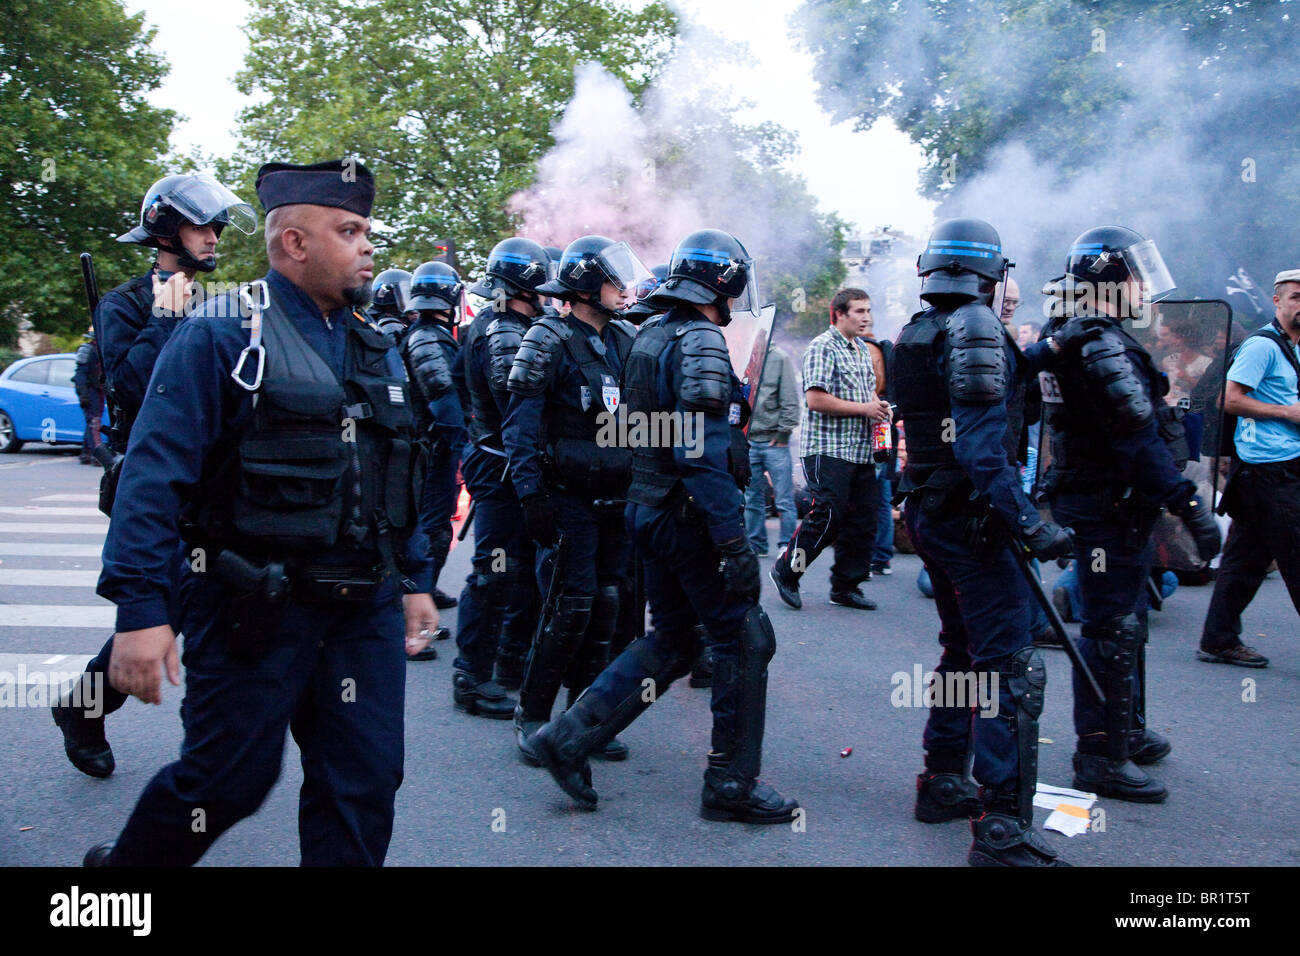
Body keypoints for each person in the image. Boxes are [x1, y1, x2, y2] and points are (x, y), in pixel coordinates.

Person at [82, 159, 439, 867]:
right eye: (348, 230)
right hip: (254, 604)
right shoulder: (223, 333)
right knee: (225, 784)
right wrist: (141, 611)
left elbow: (395, 472)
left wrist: (415, 578)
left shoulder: (377, 344)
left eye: (367, 229)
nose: (368, 244)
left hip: (361, 608)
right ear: (294, 244)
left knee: (361, 785)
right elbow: (153, 479)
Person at [531, 229, 799, 824]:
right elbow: (699, 449)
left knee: (674, 640)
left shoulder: (651, 332)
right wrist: (733, 541)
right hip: (689, 514)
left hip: (650, 507)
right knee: (744, 638)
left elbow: (639, 431)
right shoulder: (700, 336)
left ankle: (568, 737)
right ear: (725, 280)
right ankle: (731, 784)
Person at [51, 173, 256, 779]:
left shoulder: (226, 303)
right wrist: (165, 320)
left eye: (219, 226)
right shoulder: (125, 304)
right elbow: (130, 390)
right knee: (166, 606)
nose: (215, 237)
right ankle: (86, 710)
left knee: (193, 606)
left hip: (218, 481)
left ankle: (204, 757)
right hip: (158, 480)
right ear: (168, 232)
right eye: (202, 226)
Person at [892, 218, 1077, 866]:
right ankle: (1001, 829)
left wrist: (1048, 349)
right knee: (1009, 669)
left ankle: (943, 779)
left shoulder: (919, 329)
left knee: (962, 652)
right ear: (989, 273)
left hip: (935, 513)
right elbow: (976, 446)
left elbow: (971, 405)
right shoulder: (971, 324)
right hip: (972, 518)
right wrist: (1031, 522)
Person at [1038, 225, 1220, 803]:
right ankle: (1099, 753)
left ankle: (1126, 731)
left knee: (1125, 624)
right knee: (1109, 630)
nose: (1146, 287)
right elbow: (1136, 439)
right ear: (1110, 280)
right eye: (1136, 275)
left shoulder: (1077, 334)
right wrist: (1189, 506)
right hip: (1104, 509)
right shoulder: (1097, 342)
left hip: (1110, 506)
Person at [504, 235, 648, 764]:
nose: (623, 289)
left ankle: (584, 717)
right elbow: (518, 426)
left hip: (615, 495)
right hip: (565, 497)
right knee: (570, 605)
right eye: (614, 279)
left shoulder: (624, 342)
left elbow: (635, 421)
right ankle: (534, 715)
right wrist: (530, 495)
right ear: (589, 284)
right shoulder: (547, 337)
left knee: (608, 606)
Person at [451, 237, 552, 714]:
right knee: (496, 570)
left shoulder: (490, 324)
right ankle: (471, 677)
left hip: (496, 456)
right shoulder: (505, 330)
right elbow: (519, 400)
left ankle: (507, 663)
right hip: (501, 462)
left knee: (517, 569)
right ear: (523, 286)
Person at [1198, 269, 1300, 668]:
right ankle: (1219, 639)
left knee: (1245, 559)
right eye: (1295, 296)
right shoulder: (1263, 346)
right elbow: (1229, 398)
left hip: (1277, 467)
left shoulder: (1295, 345)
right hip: (1268, 470)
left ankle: (1218, 639)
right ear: (1277, 301)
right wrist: (1285, 412)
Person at [769, 288, 891, 611]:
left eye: (868, 310)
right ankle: (786, 571)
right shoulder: (822, 346)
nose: (866, 317)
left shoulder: (862, 349)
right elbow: (816, 400)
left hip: (860, 448)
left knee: (864, 520)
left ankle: (846, 586)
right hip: (826, 448)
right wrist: (865, 409)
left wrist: (880, 408)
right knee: (828, 516)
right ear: (838, 313)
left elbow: (865, 397)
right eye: (859, 311)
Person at [404, 261, 470, 629]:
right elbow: (443, 399)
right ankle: (416, 608)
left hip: (436, 445)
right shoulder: (427, 337)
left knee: (438, 523)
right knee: (431, 527)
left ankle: (427, 591)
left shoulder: (431, 333)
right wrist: (462, 443)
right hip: (432, 447)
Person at [743, 343, 801, 556]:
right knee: (752, 497)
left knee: (784, 497)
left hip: (773, 439)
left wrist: (784, 431)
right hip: (750, 439)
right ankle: (757, 544)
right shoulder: (744, 356)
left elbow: (790, 398)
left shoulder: (779, 358)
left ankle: (786, 544)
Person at [860, 309, 897, 576]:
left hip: (870, 424)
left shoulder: (866, 352)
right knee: (881, 494)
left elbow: (867, 388)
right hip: (884, 425)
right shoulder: (882, 349)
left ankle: (873, 555)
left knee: (870, 495)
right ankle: (881, 555)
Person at [73, 330, 104, 465]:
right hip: (90, 391)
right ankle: (95, 454)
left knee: (92, 422)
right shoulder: (87, 350)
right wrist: (84, 395)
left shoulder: (99, 350)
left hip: (97, 390)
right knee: (94, 423)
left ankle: (86, 453)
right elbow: (80, 376)